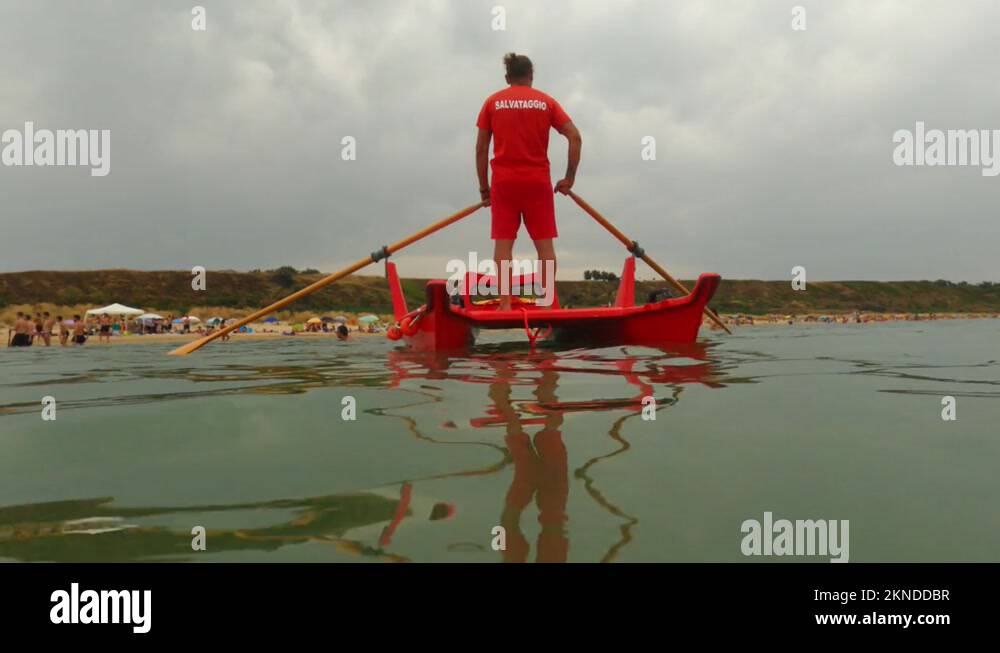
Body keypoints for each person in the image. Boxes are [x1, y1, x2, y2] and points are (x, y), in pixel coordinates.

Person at [476, 52, 582, 311]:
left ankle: (504, 305)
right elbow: (575, 137)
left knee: (503, 245)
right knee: (545, 246)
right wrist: (569, 178)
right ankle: (546, 304)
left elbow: (480, 149)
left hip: (504, 182)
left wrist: (484, 189)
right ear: (531, 76)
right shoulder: (546, 102)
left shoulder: (492, 102)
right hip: (537, 182)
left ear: (507, 77)